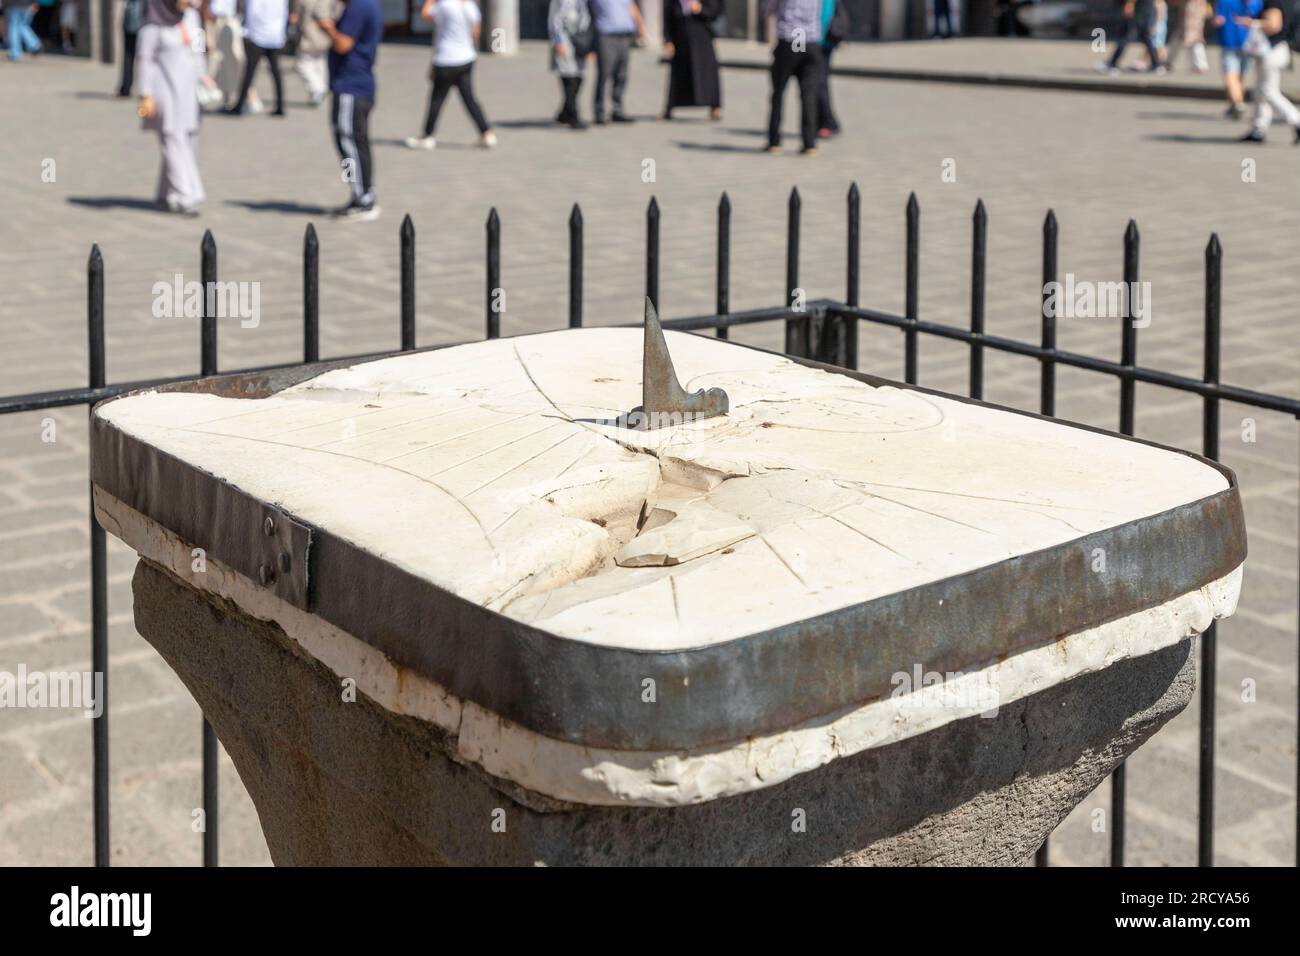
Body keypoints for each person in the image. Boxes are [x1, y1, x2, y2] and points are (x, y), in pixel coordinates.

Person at [137, 0, 205, 215]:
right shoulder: (152, 25)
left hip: (190, 91)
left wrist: (204, 77)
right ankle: (188, 194)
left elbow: (199, 50)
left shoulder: (192, 17)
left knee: (188, 138)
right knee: (173, 139)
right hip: (164, 91)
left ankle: (165, 193)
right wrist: (145, 94)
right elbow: (144, 59)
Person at [319, 0, 382, 220]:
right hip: (356, 85)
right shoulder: (366, 5)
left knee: (349, 144)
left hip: (351, 87)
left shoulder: (359, 6)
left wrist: (328, 28)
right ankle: (363, 192)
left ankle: (362, 197)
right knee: (356, 143)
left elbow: (344, 44)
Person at [405, 0, 496, 148]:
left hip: (446, 59)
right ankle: (486, 132)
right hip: (466, 57)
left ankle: (427, 136)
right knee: (469, 98)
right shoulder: (470, 6)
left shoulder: (445, 5)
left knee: (437, 100)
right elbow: (475, 32)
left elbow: (425, 16)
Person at [764, 0, 823, 155]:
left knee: (778, 93)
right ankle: (809, 143)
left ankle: (774, 141)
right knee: (808, 95)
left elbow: (770, 9)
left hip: (791, 40)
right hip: (810, 42)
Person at [1237, 0, 1300, 142]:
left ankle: (1296, 119)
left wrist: (1251, 23)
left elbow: (1274, 25)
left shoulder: (1274, 2)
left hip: (1271, 50)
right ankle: (1258, 128)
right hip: (1278, 50)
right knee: (1261, 92)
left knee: (1268, 91)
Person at [662, 0, 722, 120]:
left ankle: (714, 107)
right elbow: (667, 14)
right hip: (680, 36)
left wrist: (701, 9)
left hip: (701, 36)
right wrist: (667, 39)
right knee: (678, 74)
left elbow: (715, 10)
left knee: (707, 73)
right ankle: (669, 108)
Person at [227, 0, 288, 115]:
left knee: (250, 72)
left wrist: (247, 32)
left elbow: (252, 13)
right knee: (276, 72)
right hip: (275, 35)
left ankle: (239, 105)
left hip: (258, 36)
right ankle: (280, 105)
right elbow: (284, 12)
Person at [590, 0, 644, 124]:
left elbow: (631, 6)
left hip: (624, 35)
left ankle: (617, 109)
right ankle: (599, 111)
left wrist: (640, 24)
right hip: (606, 34)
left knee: (622, 75)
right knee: (604, 74)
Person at [549, 0, 593, 128]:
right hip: (564, 37)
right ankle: (574, 116)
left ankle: (565, 112)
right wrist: (558, 41)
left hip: (581, 37)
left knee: (580, 76)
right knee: (569, 77)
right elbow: (554, 18)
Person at [1215, 0, 1261, 117]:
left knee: (1231, 75)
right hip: (1249, 43)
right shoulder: (1256, 2)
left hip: (1230, 41)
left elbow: (1219, 20)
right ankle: (1234, 103)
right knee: (1240, 76)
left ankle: (1238, 103)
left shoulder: (1225, 2)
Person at [1097, 0, 1163, 74]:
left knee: (1125, 38)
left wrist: (1129, 5)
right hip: (1146, 13)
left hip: (1138, 13)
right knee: (1147, 40)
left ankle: (1112, 63)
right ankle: (1156, 65)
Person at [206, 0, 250, 109]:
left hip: (231, 20)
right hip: (215, 20)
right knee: (217, 59)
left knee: (237, 59)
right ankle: (225, 97)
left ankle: (247, 96)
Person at [291, 0, 331, 105]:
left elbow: (296, 16)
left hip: (310, 35)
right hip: (325, 35)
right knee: (319, 62)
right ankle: (321, 87)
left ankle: (317, 88)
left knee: (301, 64)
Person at [816, 0, 846, 139]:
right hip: (813, 43)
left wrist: (798, 49)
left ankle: (827, 123)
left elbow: (824, 18)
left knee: (818, 83)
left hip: (819, 43)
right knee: (814, 84)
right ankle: (818, 123)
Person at [1172, 0, 1210, 71]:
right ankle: (1199, 64)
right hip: (1192, 8)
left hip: (1194, 8)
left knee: (1193, 37)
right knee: (1186, 35)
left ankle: (1200, 64)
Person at [118, 0, 144, 93]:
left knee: (129, 56)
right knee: (143, 58)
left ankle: (126, 88)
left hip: (131, 22)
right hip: (143, 23)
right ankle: (145, 90)